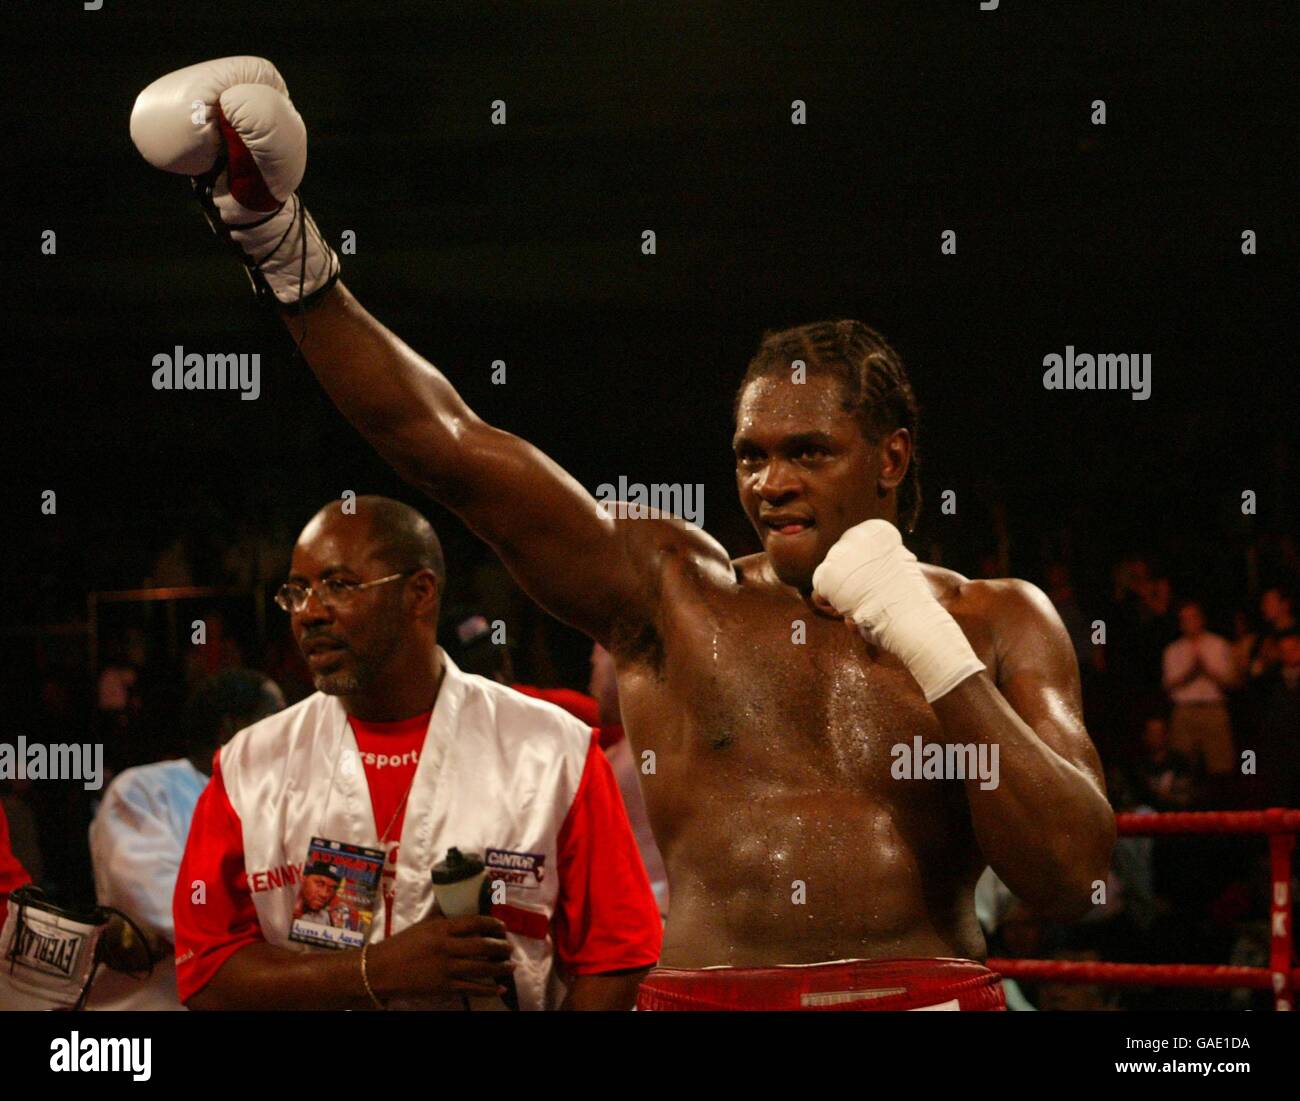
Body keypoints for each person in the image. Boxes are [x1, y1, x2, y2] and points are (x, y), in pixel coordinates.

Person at [134, 58, 1114, 1012]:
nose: (769, 484)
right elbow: (449, 449)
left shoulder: (996, 618)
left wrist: (925, 638)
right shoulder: (672, 595)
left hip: (921, 991)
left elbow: (1072, 881)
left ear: (890, 458)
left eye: (807, 453)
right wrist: (279, 245)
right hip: (709, 996)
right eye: (750, 456)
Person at [170, 497, 660, 1010]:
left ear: (419, 593)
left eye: (338, 585)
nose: (310, 612)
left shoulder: (549, 748)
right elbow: (205, 971)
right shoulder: (252, 765)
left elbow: (619, 958)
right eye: (298, 592)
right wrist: (374, 972)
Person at [86, 668, 284, 1010]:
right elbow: (172, 909)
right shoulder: (145, 790)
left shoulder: (279, 800)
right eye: (275, 721)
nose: (290, 736)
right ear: (230, 729)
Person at [1161, 600, 1238, 778]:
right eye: (1184, 619)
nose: (1189, 622)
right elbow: (1168, 684)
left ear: (1201, 619)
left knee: (1220, 765)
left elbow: (1231, 682)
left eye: (1192, 617)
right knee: (1183, 765)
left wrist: (1207, 670)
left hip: (1213, 709)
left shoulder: (1219, 645)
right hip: (1184, 710)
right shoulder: (1173, 650)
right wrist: (1191, 672)